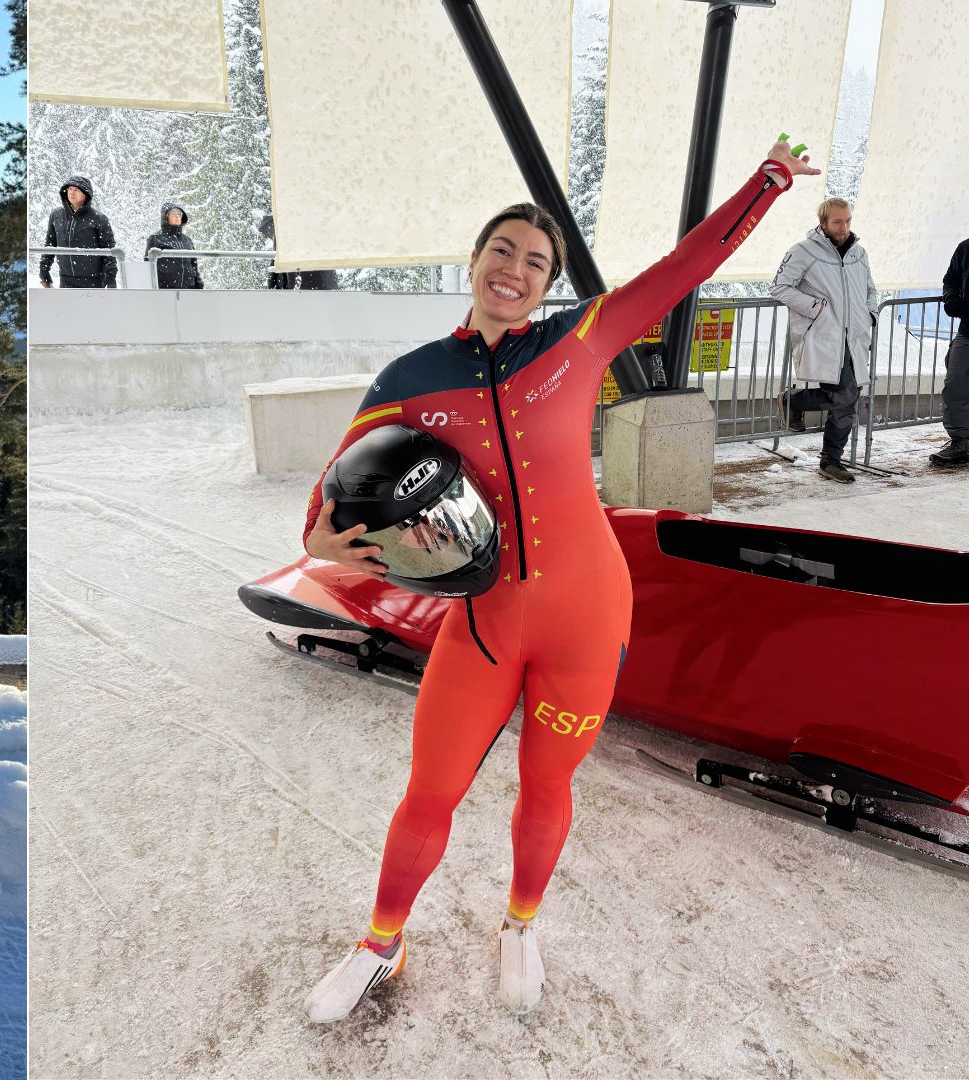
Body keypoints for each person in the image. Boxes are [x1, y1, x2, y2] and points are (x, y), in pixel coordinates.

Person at [299, 140, 816, 1022]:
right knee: (430, 791)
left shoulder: (584, 336)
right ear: (473, 261)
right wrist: (332, 544)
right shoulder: (411, 379)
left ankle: (521, 925)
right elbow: (325, 507)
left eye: (536, 262)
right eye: (501, 250)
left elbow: (689, 264)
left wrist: (765, 183)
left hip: (587, 614)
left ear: (549, 282)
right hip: (487, 618)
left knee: (548, 787)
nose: (515, 269)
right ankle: (381, 943)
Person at [771, 197, 879, 483]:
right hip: (824, 336)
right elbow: (780, 287)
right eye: (837, 222)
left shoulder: (859, 253)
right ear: (823, 224)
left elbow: (871, 289)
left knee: (848, 398)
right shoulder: (803, 251)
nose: (844, 228)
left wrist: (870, 314)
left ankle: (830, 458)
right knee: (846, 395)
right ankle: (796, 403)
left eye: (847, 221)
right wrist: (816, 309)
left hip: (853, 338)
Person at [930, 197, 969, 470]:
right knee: (955, 389)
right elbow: (950, 279)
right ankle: (959, 442)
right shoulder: (968, 248)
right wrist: (951, 298)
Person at [38, 176, 118, 288]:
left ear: (85, 194)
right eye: (70, 189)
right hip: (66, 279)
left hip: (93, 280)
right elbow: (50, 244)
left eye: (76, 190)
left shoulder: (99, 219)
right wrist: (43, 270)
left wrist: (110, 279)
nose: (71, 192)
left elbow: (109, 251)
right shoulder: (57, 215)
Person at [259, 213, 340, 290]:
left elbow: (274, 272)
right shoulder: (314, 241)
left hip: (300, 286)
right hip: (315, 286)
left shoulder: (288, 244)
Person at [145, 203, 204, 290]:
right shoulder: (155, 238)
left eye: (179, 214)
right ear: (166, 218)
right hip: (165, 290)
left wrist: (198, 284)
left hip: (189, 289)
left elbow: (194, 265)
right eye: (173, 214)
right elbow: (147, 265)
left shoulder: (187, 240)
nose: (177, 217)